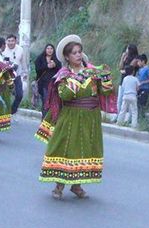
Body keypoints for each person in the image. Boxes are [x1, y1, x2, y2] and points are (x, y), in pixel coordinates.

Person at [37, 35, 116, 200]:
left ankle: (77, 185)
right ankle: (59, 185)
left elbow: (106, 92)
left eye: (80, 52)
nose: (78, 55)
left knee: (84, 149)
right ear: (67, 56)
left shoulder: (93, 72)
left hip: (90, 117)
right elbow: (64, 95)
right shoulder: (64, 74)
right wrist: (79, 78)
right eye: (74, 53)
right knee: (66, 149)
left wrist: (106, 78)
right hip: (71, 117)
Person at [34, 43, 61, 117]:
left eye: (51, 48)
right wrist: (47, 66)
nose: (49, 50)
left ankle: (51, 119)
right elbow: (38, 69)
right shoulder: (40, 58)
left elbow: (60, 69)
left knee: (53, 102)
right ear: (45, 50)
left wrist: (55, 65)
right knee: (45, 101)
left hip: (54, 84)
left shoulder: (56, 58)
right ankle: (44, 120)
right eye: (48, 48)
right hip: (43, 84)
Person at [0, 34, 24, 114]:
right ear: (6, 42)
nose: (10, 43)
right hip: (6, 76)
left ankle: (12, 110)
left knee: (19, 94)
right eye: (9, 41)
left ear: (15, 41)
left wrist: (25, 72)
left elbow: (23, 62)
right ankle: (4, 111)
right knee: (6, 94)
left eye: (12, 41)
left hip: (17, 75)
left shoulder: (20, 49)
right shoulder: (3, 50)